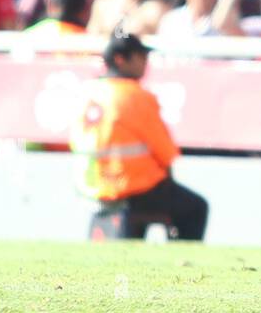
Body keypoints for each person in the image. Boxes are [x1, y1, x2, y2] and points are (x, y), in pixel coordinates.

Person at [69, 33, 208, 241]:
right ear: (120, 60)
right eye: (141, 57)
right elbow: (166, 152)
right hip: (130, 188)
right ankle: (181, 266)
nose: (146, 63)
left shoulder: (88, 92)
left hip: (91, 187)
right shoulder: (135, 96)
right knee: (196, 208)